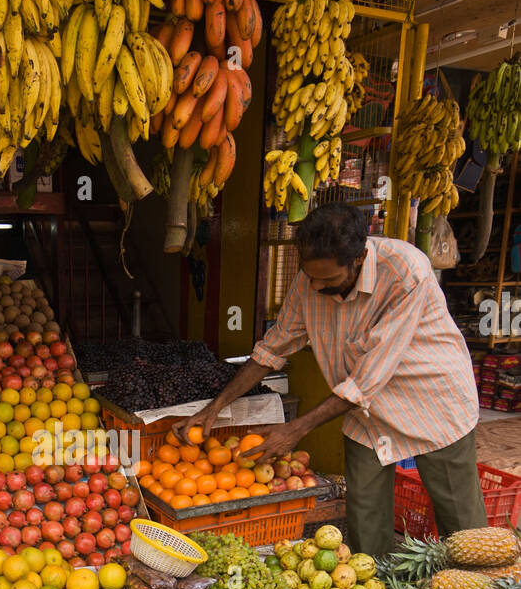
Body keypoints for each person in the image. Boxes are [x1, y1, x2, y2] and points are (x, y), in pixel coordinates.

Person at [175, 202, 486, 557]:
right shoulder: (309, 282)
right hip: (364, 416)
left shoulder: (404, 271)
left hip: (431, 405)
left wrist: (296, 429)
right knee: (365, 526)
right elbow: (270, 351)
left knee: (463, 527)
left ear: (358, 259)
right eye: (311, 277)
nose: (317, 285)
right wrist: (216, 406)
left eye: (329, 279)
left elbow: (366, 381)